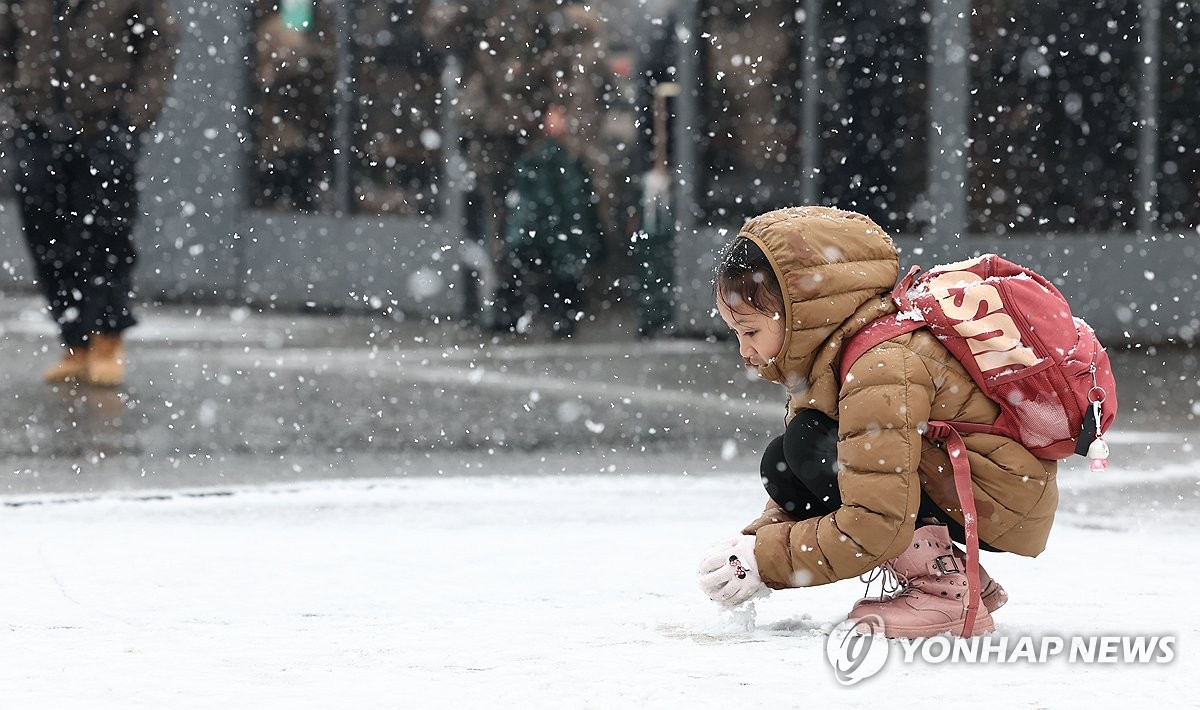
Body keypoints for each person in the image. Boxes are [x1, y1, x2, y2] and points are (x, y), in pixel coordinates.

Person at [697, 206, 1058, 638]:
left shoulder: (881, 364)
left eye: (750, 332)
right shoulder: (827, 359)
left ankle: (944, 591)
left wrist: (767, 561)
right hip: (959, 485)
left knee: (807, 444)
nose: (743, 350)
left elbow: (876, 521)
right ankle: (959, 573)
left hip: (1002, 499)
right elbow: (824, 484)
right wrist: (752, 546)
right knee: (787, 460)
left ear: (800, 313)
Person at [0, 0, 179, 386]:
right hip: (37, 129)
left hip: (104, 130)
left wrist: (131, 121)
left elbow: (160, 46)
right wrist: (12, 116)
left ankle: (106, 338)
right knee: (46, 240)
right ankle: (74, 341)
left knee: (105, 238)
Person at [501, 104, 603, 338]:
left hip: (560, 227)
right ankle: (533, 316)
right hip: (546, 227)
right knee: (541, 272)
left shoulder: (570, 158)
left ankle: (559, 317)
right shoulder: (538, 158)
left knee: (562, 273)